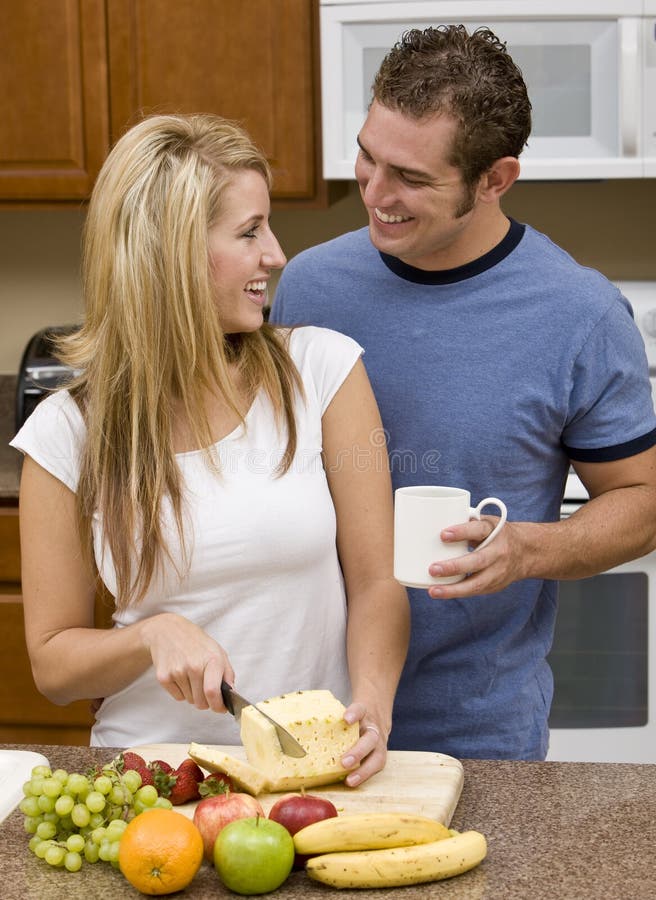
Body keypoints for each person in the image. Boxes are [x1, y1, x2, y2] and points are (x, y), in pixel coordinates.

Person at [270, 25, 656, 760]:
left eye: (411, 178)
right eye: (367, 156)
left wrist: (530, 549)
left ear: (495, 179)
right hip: (308, 715)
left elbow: (643, 501)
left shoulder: (578, 313)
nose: (375, 193)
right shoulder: (310, 286)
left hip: (477, 732)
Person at [10, 113, 409, 786]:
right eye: (249, 232)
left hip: (310, 774)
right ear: (172, 256)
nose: (275, 255)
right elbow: (53, 666)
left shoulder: (325, 370)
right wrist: (148, 635)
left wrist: (372, 700)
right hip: (155, 781)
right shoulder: (64, 433)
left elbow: (377, 582)